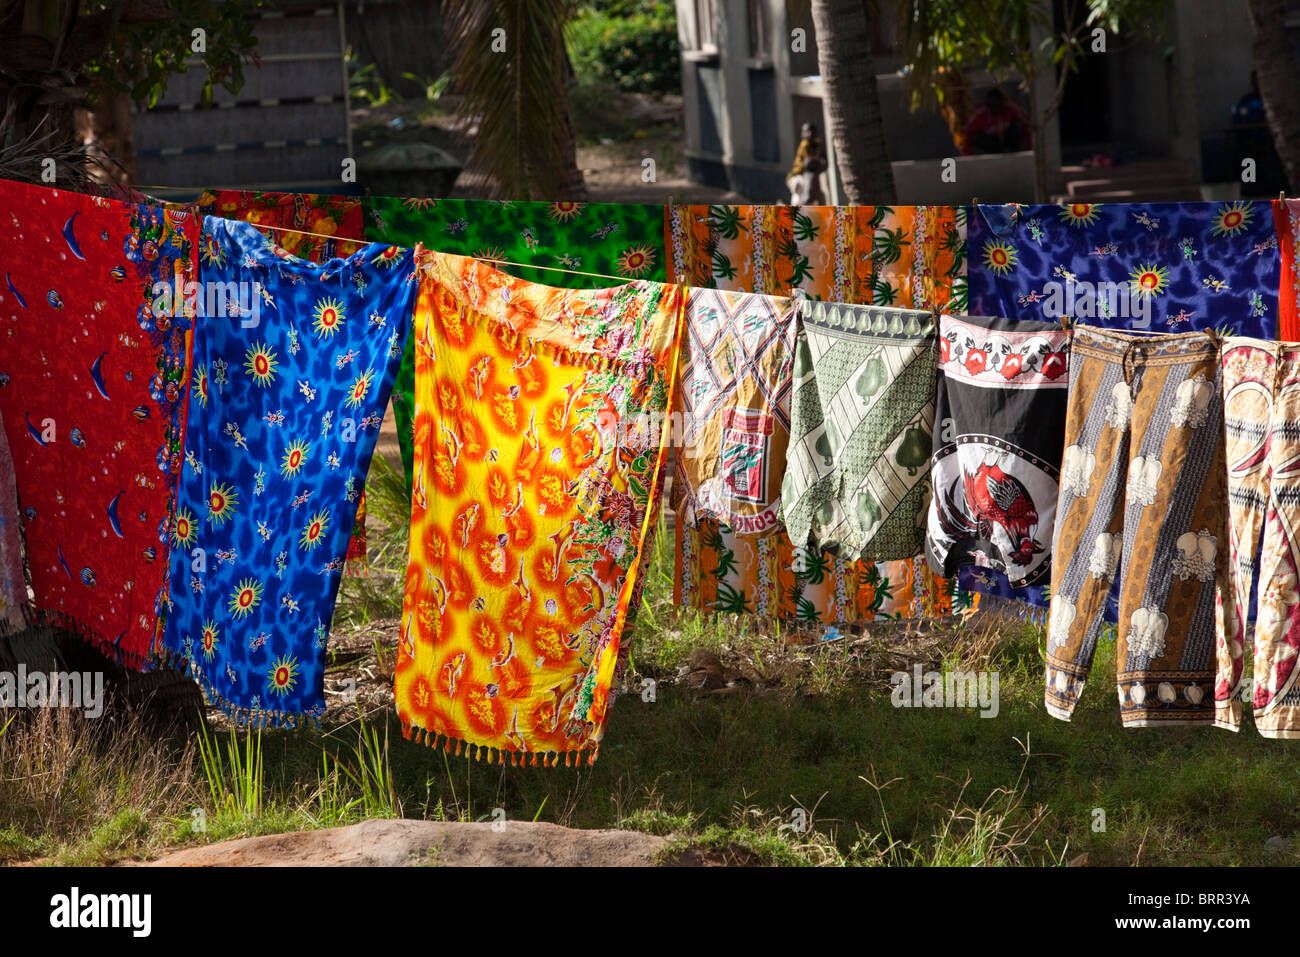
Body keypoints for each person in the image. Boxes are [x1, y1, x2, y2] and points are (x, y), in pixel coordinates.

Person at [963, 87, 1033, 155]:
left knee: (1018, 126)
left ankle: (1013, 152)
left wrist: (1031, 149)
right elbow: (967, 132)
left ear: (1003, 102)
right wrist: (966, 156)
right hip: (991, 143)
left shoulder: (1011, 107)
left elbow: (1027, 123)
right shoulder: (978, 114)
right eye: (993, 105)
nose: (996, 108)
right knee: (976, 136)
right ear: (987, 104)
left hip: (1009, 140)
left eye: (998, 104)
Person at [787, 122, 828, 205]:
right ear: (802, 134)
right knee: (799, 192)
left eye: (812, 131)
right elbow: (808, 164)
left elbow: (824, 163)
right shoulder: (804, 144)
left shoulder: (818, 144)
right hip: (797, 175)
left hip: (811, 175)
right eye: (806, 132)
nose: (810, 134)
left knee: (819, 194)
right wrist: (817, 160)